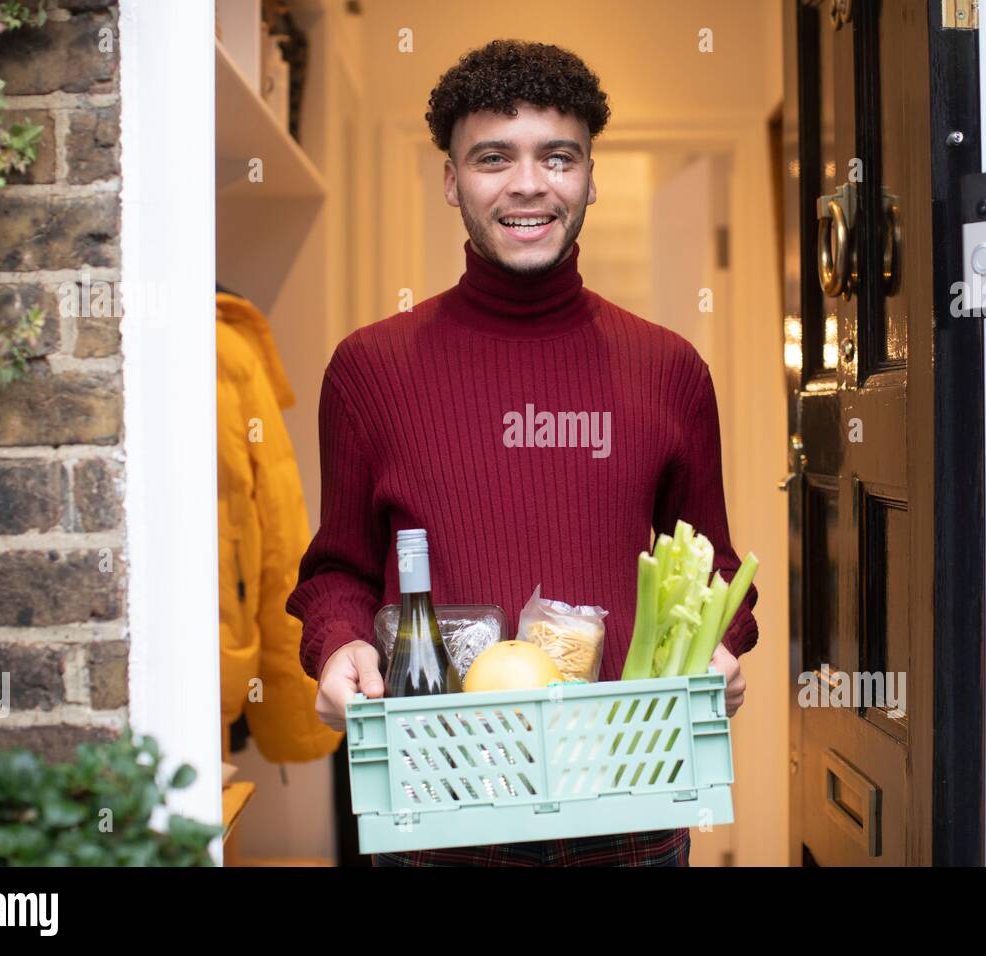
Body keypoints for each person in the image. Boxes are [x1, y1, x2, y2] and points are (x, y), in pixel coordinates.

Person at [286, 38, 757, 867]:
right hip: (437, 822)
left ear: (590, 177)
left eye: (558, 157)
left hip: (631, 821)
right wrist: (339, 644)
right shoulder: (371, 370)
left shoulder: (670, 368)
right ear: (450, 180)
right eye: (493, 158)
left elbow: (714, 567)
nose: (529, 184)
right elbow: (338, 572)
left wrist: (722, 647)